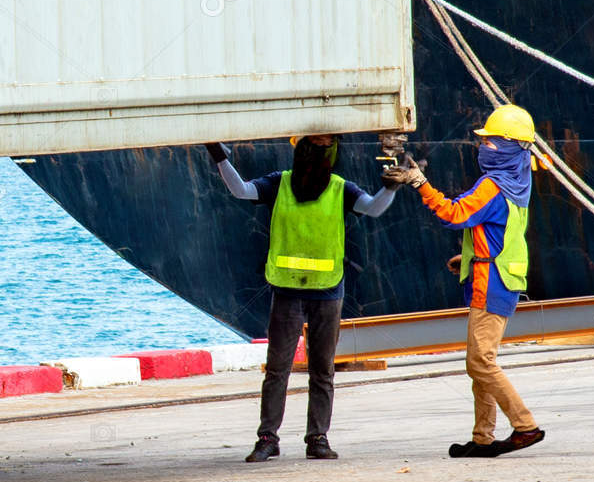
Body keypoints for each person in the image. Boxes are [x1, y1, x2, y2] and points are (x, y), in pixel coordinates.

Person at [205, 135, 401, 462]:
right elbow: (241, 190)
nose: (317, 154)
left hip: (326, 290)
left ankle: (317, 438)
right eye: (314, 146)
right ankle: (268, 438)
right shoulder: (280, 183)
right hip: (289, 290)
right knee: (279, 370)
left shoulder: (339, 188)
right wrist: (220, 158)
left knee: (321, 370)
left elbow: (372, 207)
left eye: (324, 147)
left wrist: (390, 188)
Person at [384, 104, 547, 459]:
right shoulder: (519, 183)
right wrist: (470, 258)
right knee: (481, 362)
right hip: (500, 275)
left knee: (480, 363)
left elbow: (454, 215)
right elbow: (503, 232)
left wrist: (420, 183)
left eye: (490, 142)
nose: (483, 147)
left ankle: (524, 426)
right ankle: (483, 437)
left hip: (491, 283)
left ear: (509, 147)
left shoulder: (492, 186)